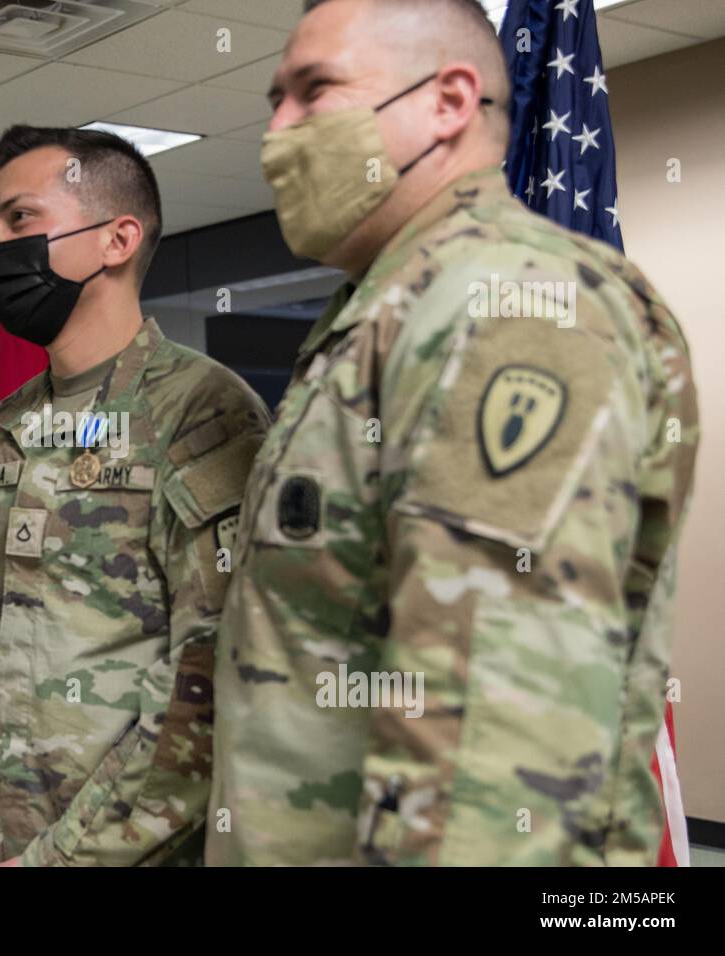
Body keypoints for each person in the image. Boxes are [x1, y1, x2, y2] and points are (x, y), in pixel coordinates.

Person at [208, 0, 699, 866]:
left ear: (447, 101)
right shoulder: (382, 315)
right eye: (273, 101)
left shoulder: (508, 303)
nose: (277, 132)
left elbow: (496, 757)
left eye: (314, 91)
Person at [0, 126, 271, 867]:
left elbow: (211, 676)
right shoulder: (10, 423)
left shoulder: (201, 410)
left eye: (20, 220)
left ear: (118, 239)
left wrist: (57, 860)